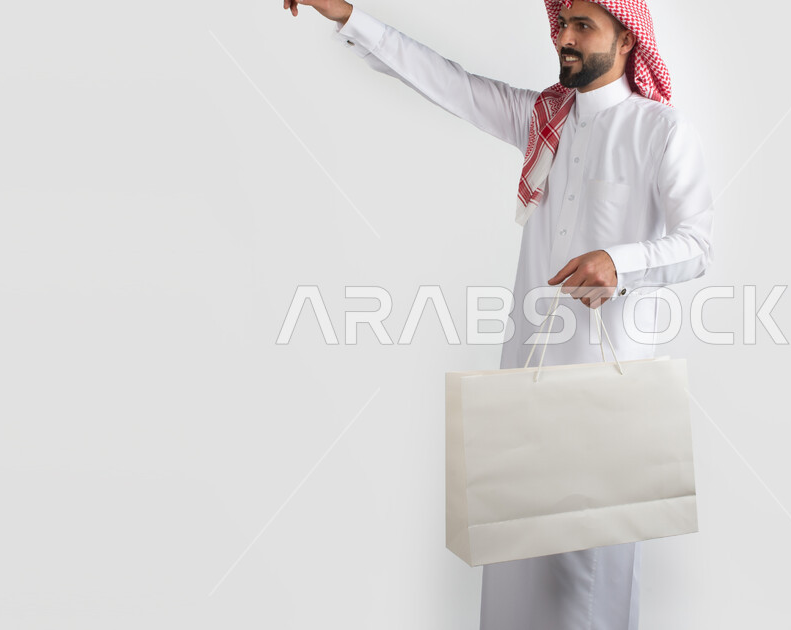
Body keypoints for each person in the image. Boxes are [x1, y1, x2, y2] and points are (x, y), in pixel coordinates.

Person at [284, 0, 715, 627]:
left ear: (627, 39)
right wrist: (346, 14)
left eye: (582, 27)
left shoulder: (660, 131)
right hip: (525, 388)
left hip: (608, 397)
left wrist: (621, 263)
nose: (563, 38)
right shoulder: (543, 119)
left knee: (590, 583)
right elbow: (448, 83)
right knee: (515, 575)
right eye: (562, 23)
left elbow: (698, 245)